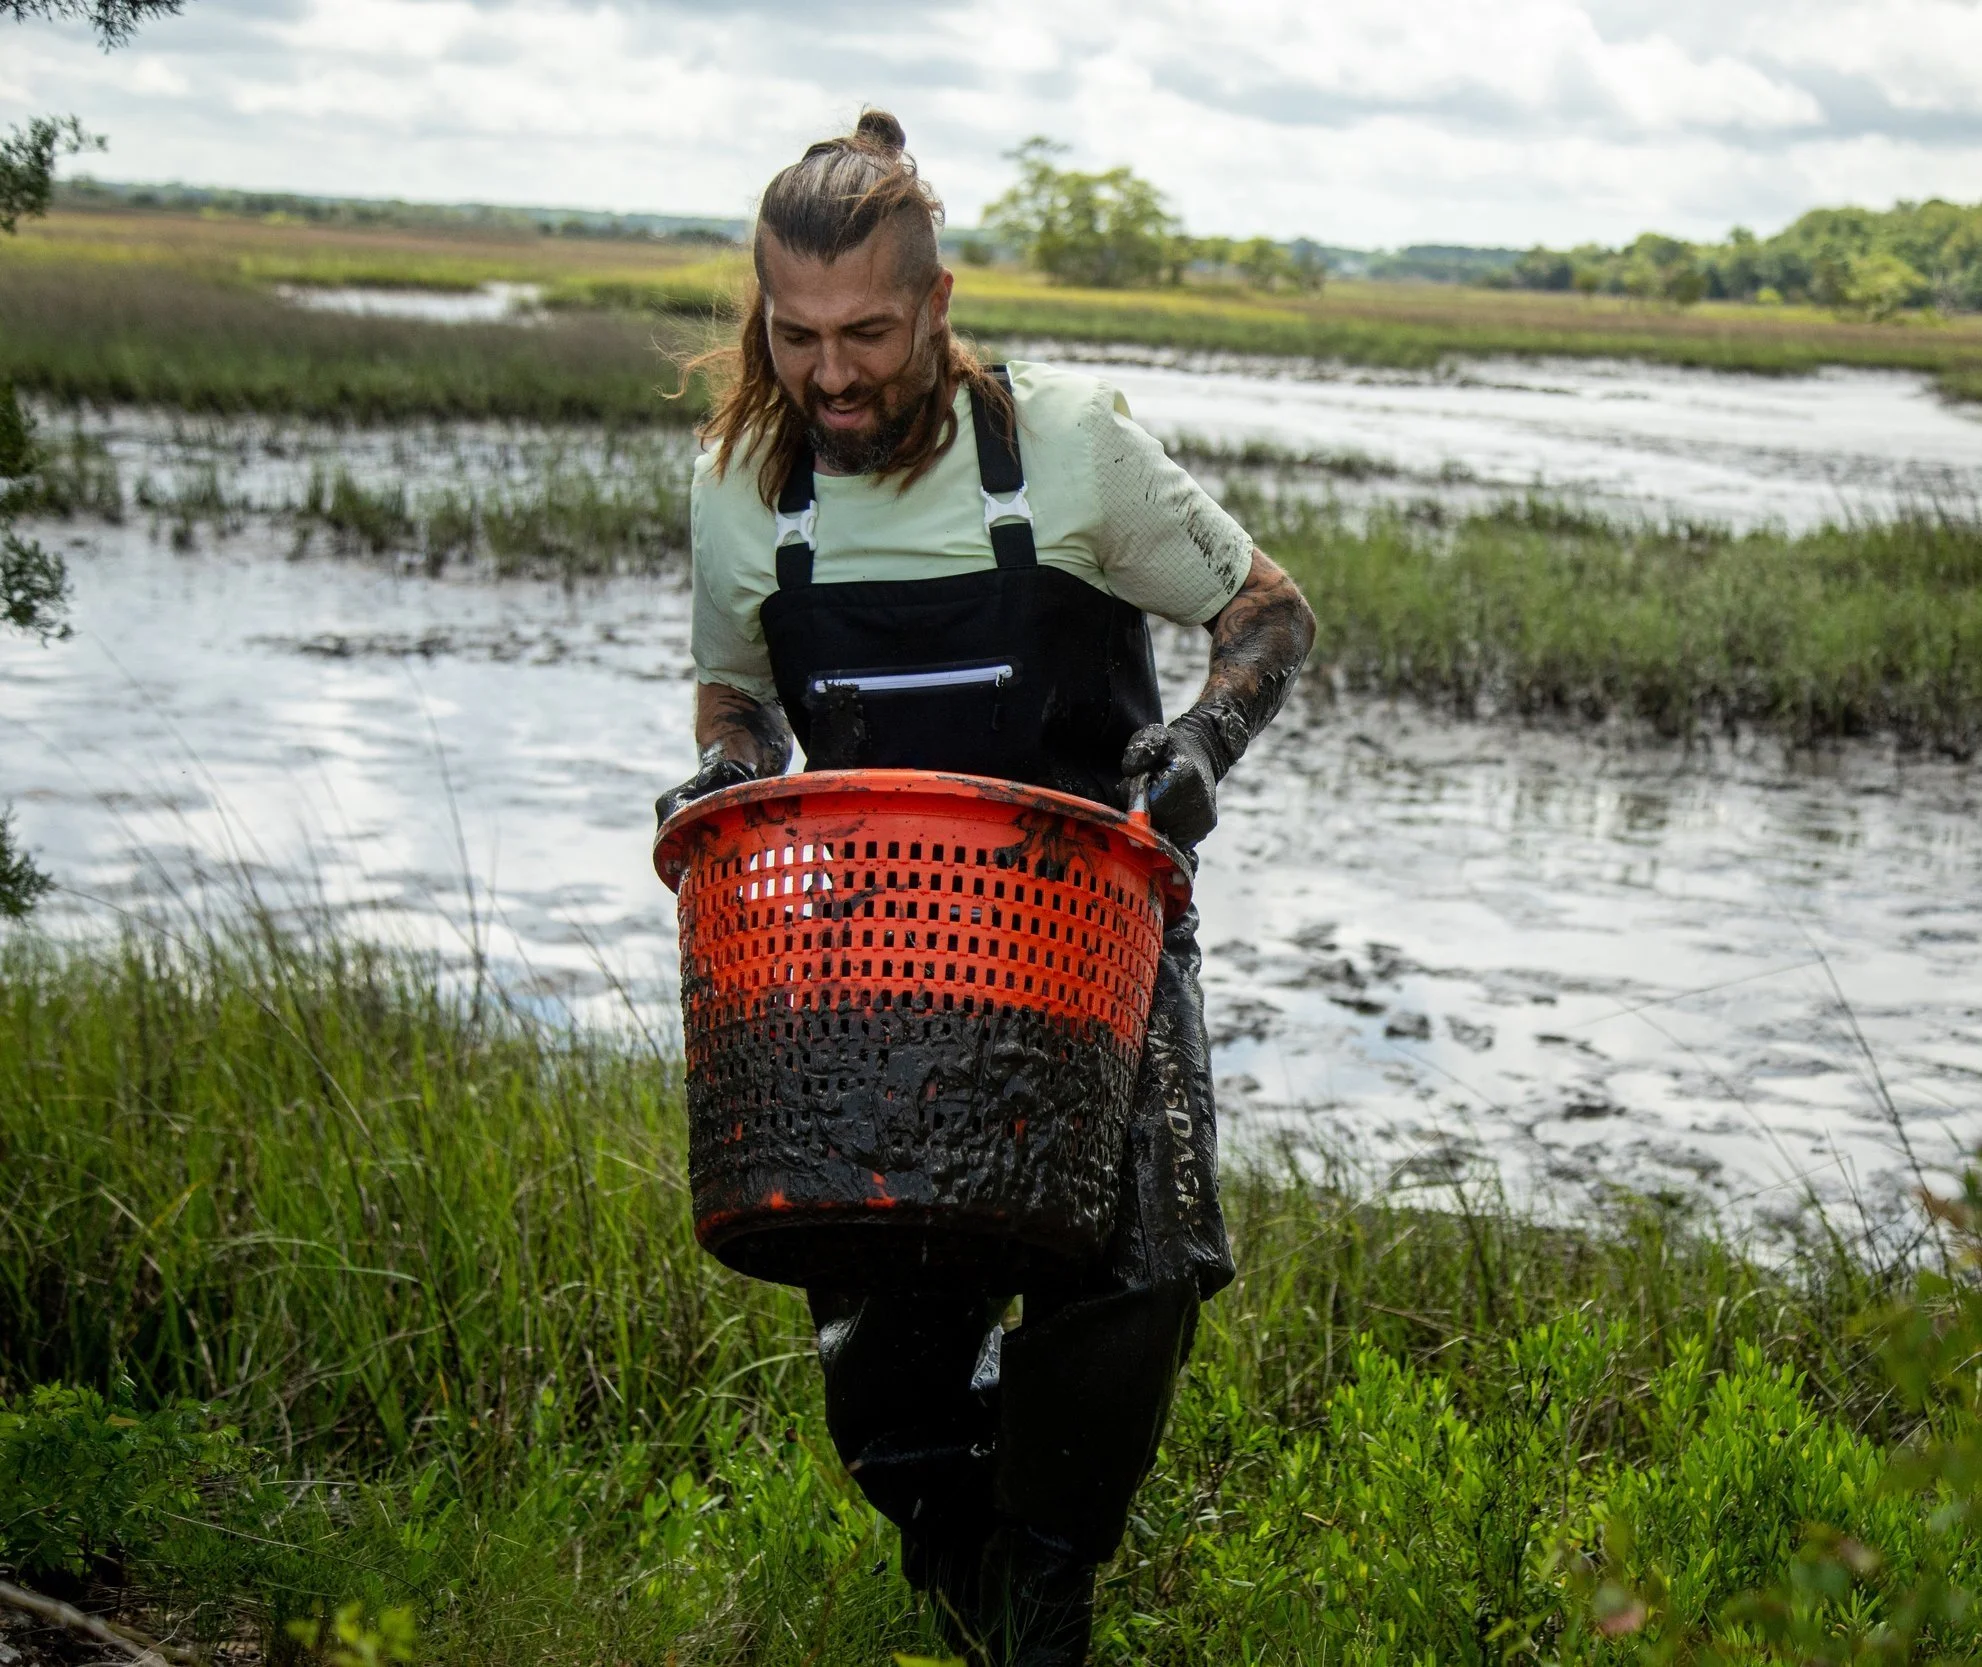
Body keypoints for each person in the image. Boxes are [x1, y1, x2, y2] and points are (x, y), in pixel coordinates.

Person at [655, 110, 1317, 1666]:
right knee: (883, 1318)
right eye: (798, 334)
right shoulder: (743, 492)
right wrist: (733, 768)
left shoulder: (1069, 449)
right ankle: (966, 1558)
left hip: (1094, 925)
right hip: (872, 941)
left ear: (938, 305)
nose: (831, 375)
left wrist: (1204, 742)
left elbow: (1266, 613)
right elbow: (734, 694)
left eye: (869, 334)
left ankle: (1040, 1590)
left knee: (1137, 1261)